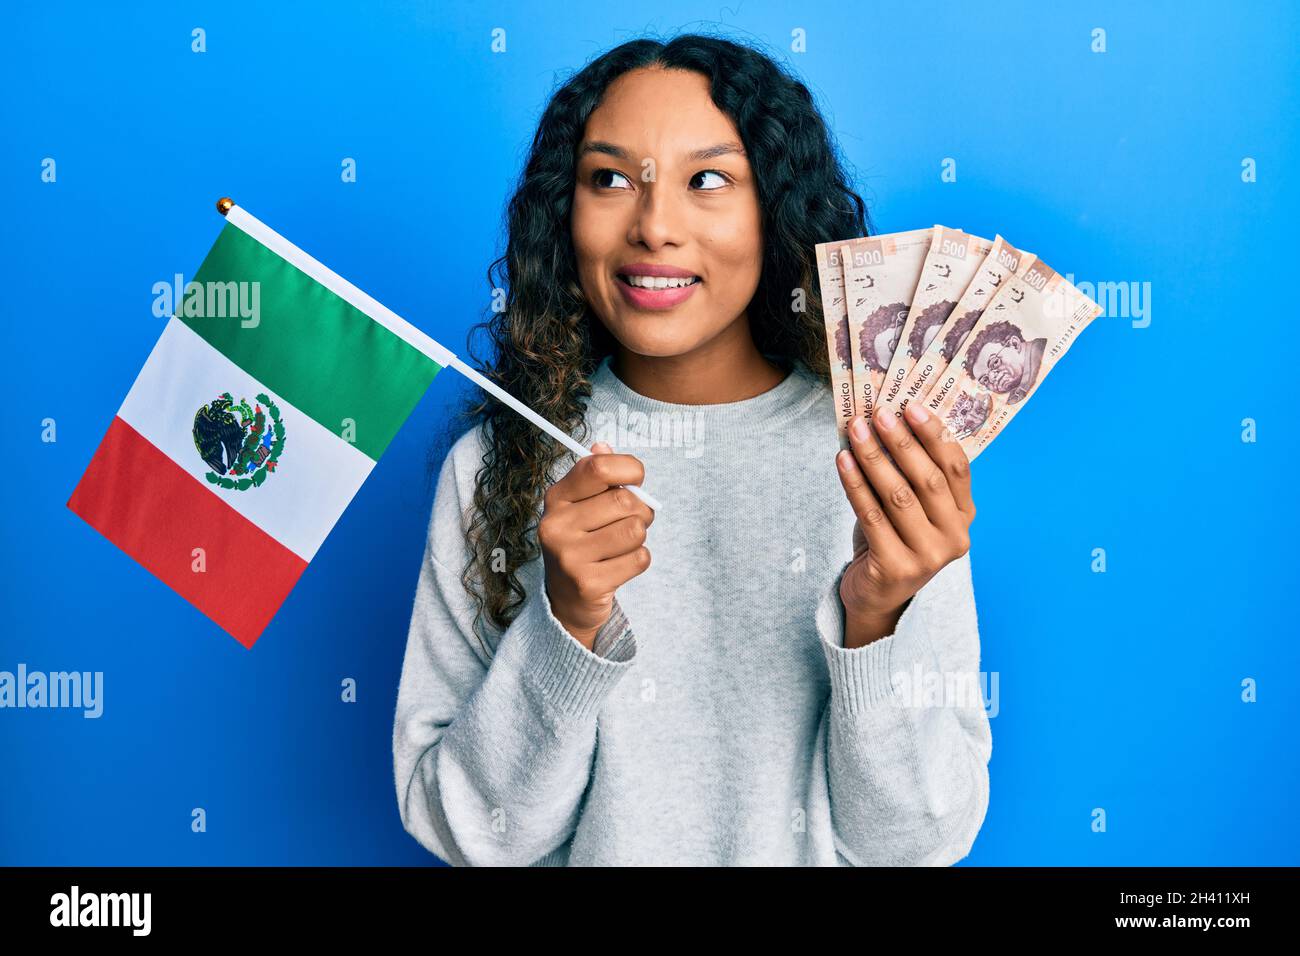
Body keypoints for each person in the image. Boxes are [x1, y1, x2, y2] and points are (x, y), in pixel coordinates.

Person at [392, 33, 991, 866]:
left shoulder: (884, 457)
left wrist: (878, 617)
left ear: (773, 207)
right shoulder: (498, 463)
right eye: (608, 178)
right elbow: (465, 832)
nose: (654, 226)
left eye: (707, 180)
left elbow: (918, 840)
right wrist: (565, 626)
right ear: (562, 212)